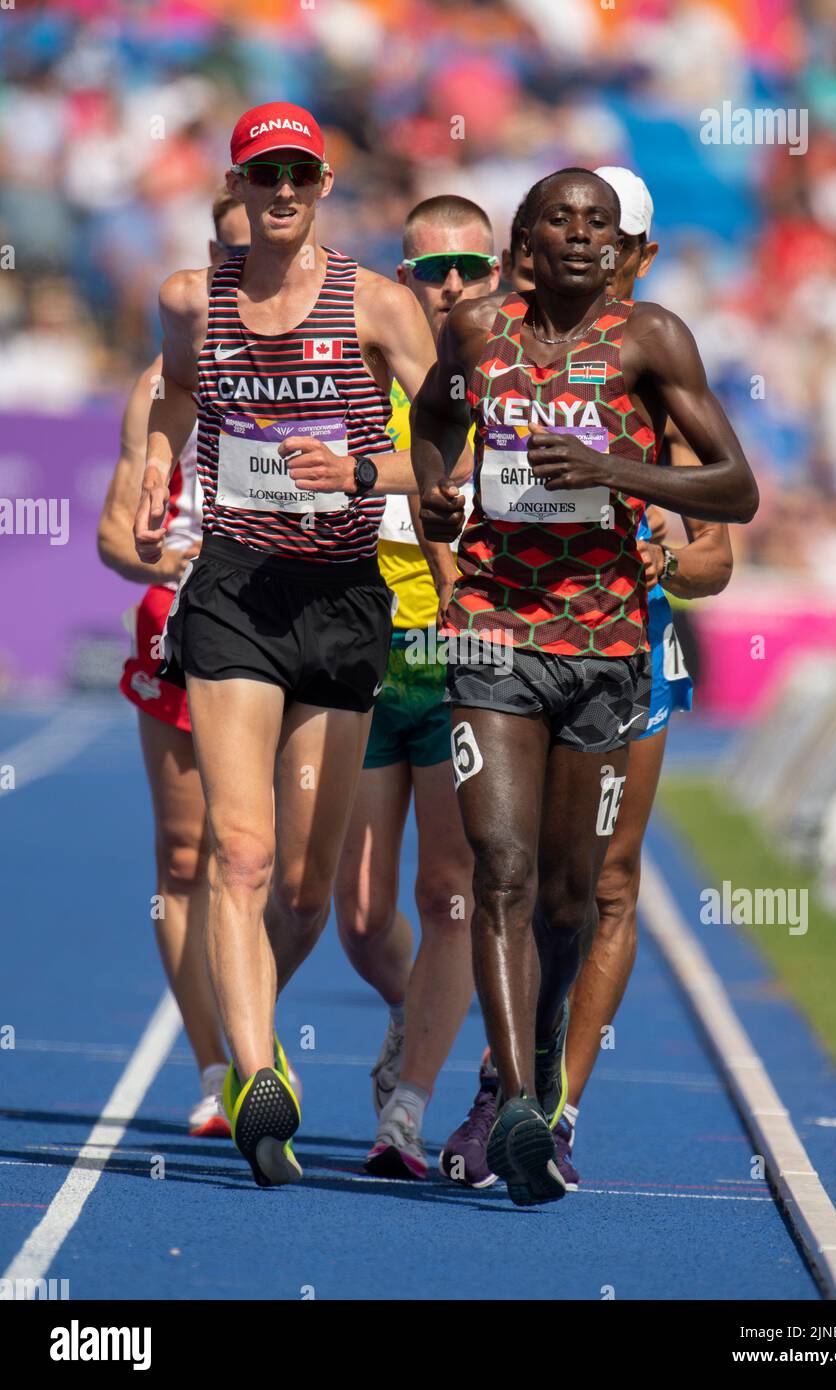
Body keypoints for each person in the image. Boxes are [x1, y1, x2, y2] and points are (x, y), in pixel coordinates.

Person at [413, 166, 757, 1206]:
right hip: (490, 633)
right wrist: (436, 492)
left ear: (616, 245)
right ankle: (517, 1106)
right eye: (556, 220)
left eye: (595, 224)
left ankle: (545, 1057)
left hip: (604, 648)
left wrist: (619, 473)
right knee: (501, 870)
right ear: (522, 238)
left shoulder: (650, 338)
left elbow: (732, 486)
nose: (576, 236)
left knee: (571, 895)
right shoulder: (474, 331)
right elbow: (433, 416)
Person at [133, 102, 438, 1188]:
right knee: (238, 851)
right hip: (234, 593)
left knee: (306, 887)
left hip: (344, 598)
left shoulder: (381, 306)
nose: (281, 193)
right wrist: (152, 470)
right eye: (263, 176)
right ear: (238, 182)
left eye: (299, 176)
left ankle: (260, 1012)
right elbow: (172, 396)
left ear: (322, 183)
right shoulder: (188, 301)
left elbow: (458, 450)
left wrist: (361, 473)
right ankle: (254, 1079)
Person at [333, 197, 496, 1179]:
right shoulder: (363, 370)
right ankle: (412, 1012)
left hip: (459, 653)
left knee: (447, 890)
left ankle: (409, 1106)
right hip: (362, 645)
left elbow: (469, 460)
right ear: (400, 277)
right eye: (428, 270)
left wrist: (366, 472)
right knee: (353, 910)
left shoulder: (505, 375)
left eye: (466, 268)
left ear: (491, 275)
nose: (446, 286)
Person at [98, 191, 249, 1137]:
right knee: (187, 856)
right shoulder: (161, 383)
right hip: (179, 626)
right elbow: (117, 534)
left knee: (282, 870)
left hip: (285, 628)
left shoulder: (331, 367)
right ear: (205, 263)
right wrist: (176, 559)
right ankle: (216, 1067)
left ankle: (274, 1032)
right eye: (227, 262)